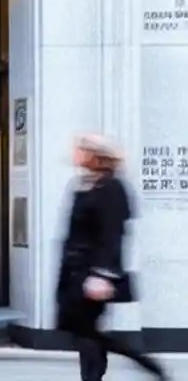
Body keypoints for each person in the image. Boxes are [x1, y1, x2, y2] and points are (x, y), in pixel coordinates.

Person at [56, 133, 167, 381]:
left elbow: (112, 234)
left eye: (81, 149)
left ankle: (139, 363)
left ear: (96, 155)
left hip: (92, 273)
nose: (76, 153)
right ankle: (120, 367)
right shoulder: (83, 184)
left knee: (86, 332)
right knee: (84, 331)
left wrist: (102, 274)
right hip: (75, 272)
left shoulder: (113, 187)